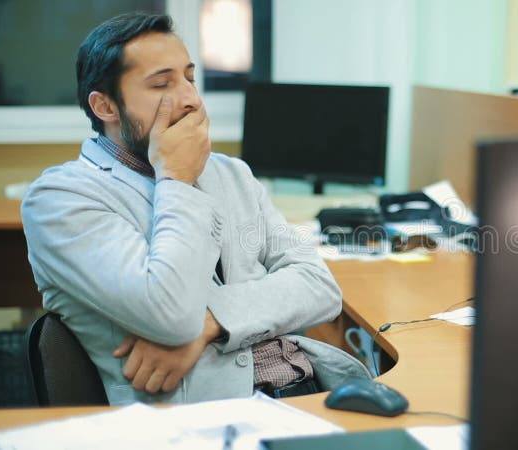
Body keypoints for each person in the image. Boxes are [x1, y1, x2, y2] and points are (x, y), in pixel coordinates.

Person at [21, 12, 369, 405]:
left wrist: (211, 324)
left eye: (189, 77)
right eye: (162, 84)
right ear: (105, 106)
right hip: (205, 419)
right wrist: (175, 179)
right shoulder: (60, 200)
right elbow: (170, 314)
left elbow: (320, 287)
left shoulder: (232, 174)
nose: (191, 99)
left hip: (310, 390)